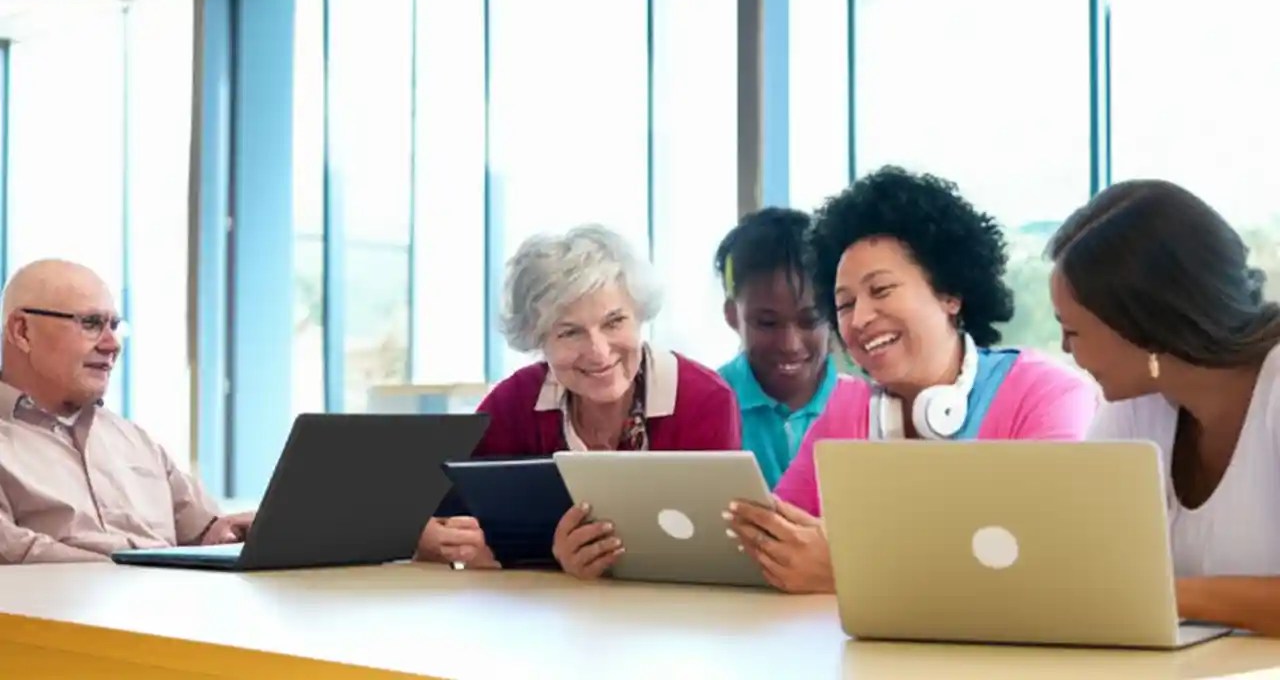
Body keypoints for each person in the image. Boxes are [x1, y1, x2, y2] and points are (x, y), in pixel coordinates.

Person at [726, 166, 1097, 593]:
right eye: (844, 304)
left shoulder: (1045, 394)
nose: (861, 318)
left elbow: (1045, 566)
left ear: (950, 294)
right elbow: (775, 539)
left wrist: (853, 571)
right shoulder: (848, 408)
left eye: (881, 290)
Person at [416, 225, 741, 578]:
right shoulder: (512, 404)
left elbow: (714, 552)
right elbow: (443, 514)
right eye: (570, 332)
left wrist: (569, 564)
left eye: (614, 322)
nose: (599, 352)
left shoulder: (703, 399)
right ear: (537, 339)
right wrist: (440, 540)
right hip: (538, 617)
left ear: (640, 316)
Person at [1048, 179, 1280, 637]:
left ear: (1144, 325)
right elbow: (1082, 558)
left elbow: (1128, 590)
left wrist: (1169, 596)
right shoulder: (1136, 406)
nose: (1063, 348)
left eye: (1072, 332)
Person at [0, 259, 253, 564]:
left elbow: (203, 529)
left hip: (168, 601)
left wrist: (227, 533)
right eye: (91, 324)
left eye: (114, 326)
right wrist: (142, 569)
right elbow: (13, 553)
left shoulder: (133, 440)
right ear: (22, 331)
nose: (112, 344)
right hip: (57, 607)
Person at [714, 207, 837, 488]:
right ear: (732, 315)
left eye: (810, 320)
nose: (789, 344)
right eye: (767, 323)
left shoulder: (869, 407)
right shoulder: (704, 405)